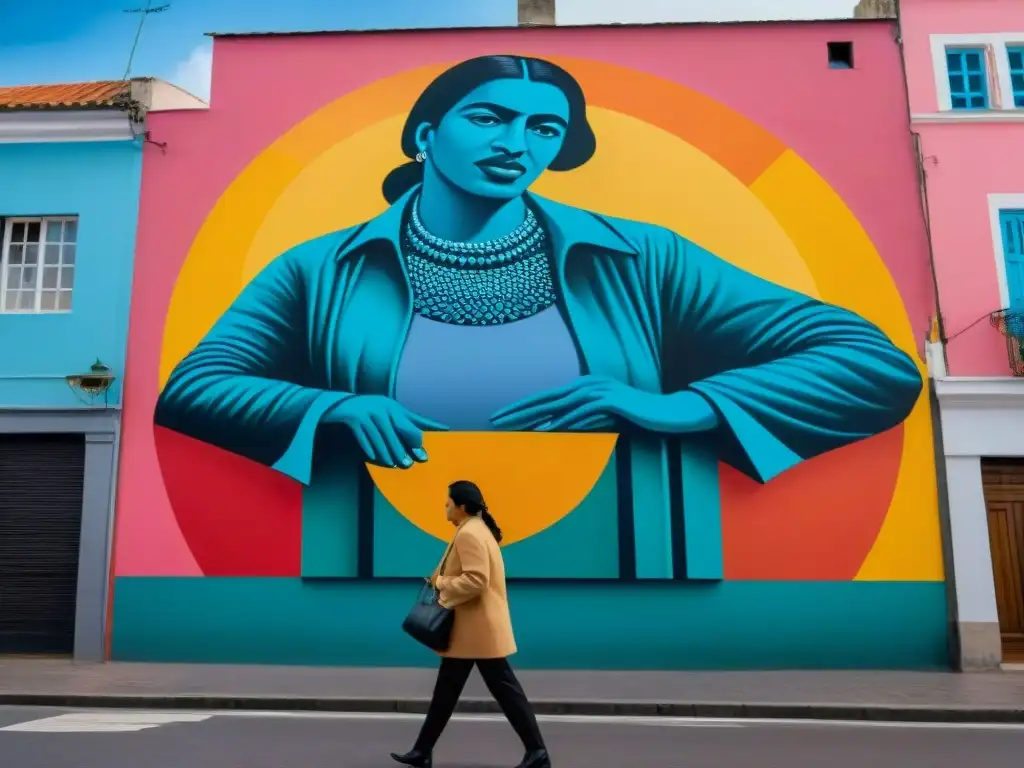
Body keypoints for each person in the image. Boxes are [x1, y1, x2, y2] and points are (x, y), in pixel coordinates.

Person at [154, 54, 922, 576]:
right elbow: (193, 387)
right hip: (378, 554)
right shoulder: (320, 268)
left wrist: (678, 408)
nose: (517, 144)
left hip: (623, 556)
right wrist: (334, 407)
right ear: (426, 134)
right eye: (489, 118)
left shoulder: (643, 259)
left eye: (544, 129)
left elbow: (875, 365)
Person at [392, 480, 549, 768]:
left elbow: (476, 580)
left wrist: (441, 583)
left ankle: (538, 752)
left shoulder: (470, 534)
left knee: (504, 691)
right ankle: (422, 751)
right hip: (471, 631)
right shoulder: (473, 529)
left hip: (477, 631)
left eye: (448, 503)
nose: (445, 507)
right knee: (449, 691)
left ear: (461, 506)